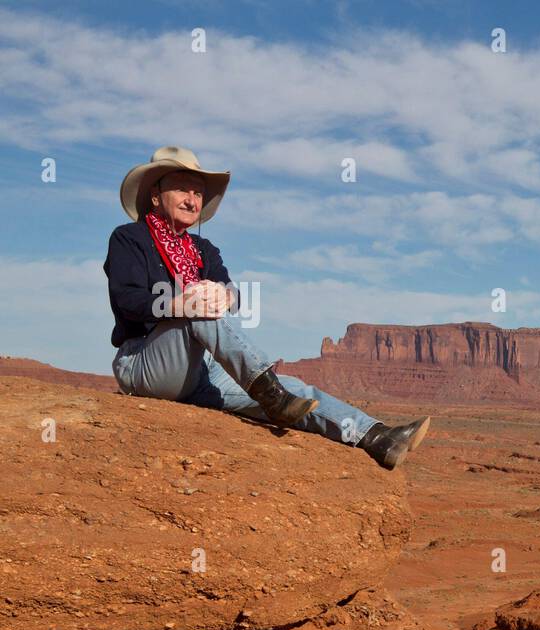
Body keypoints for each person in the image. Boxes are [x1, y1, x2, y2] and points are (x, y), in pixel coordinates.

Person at [104, 146, 429, 469]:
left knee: (297, 390)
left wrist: (225, 296)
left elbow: (232, 293)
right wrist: (182, 302)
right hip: (145, 363)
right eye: (181, 189)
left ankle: (379, 438)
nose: (192, 199)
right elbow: (127, 301)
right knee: (197, 306)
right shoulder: (129, 239)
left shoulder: (203, 249)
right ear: (156, 196)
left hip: (199, 371)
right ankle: (268, 392)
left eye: (198, 192)